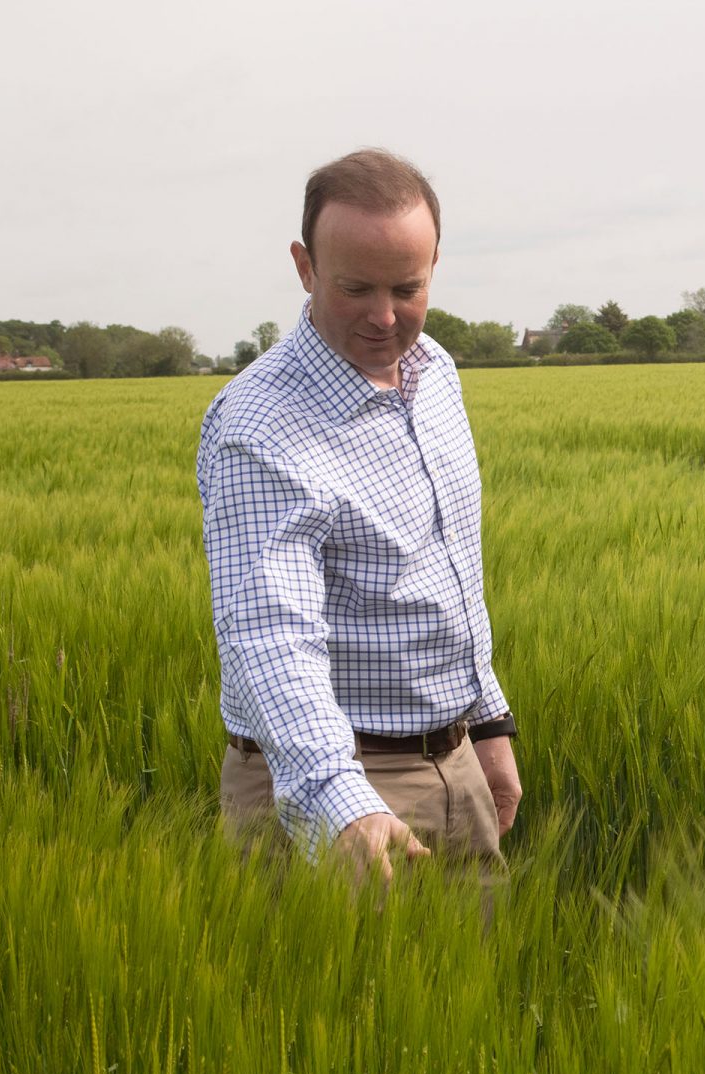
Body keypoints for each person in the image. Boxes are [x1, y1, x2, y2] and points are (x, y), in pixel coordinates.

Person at [198, 148, 521, 878]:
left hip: (456, 759)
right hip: (332, 784)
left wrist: (488, 723)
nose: (384, 317)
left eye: (408, 288)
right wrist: (337, 797)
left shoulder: (433, 372)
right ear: (305, 267)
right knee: (336, 994)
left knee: (477, 984)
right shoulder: (260, 425)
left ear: (435, 264)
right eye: (356, 288)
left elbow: (447, 572)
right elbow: (268, 633)